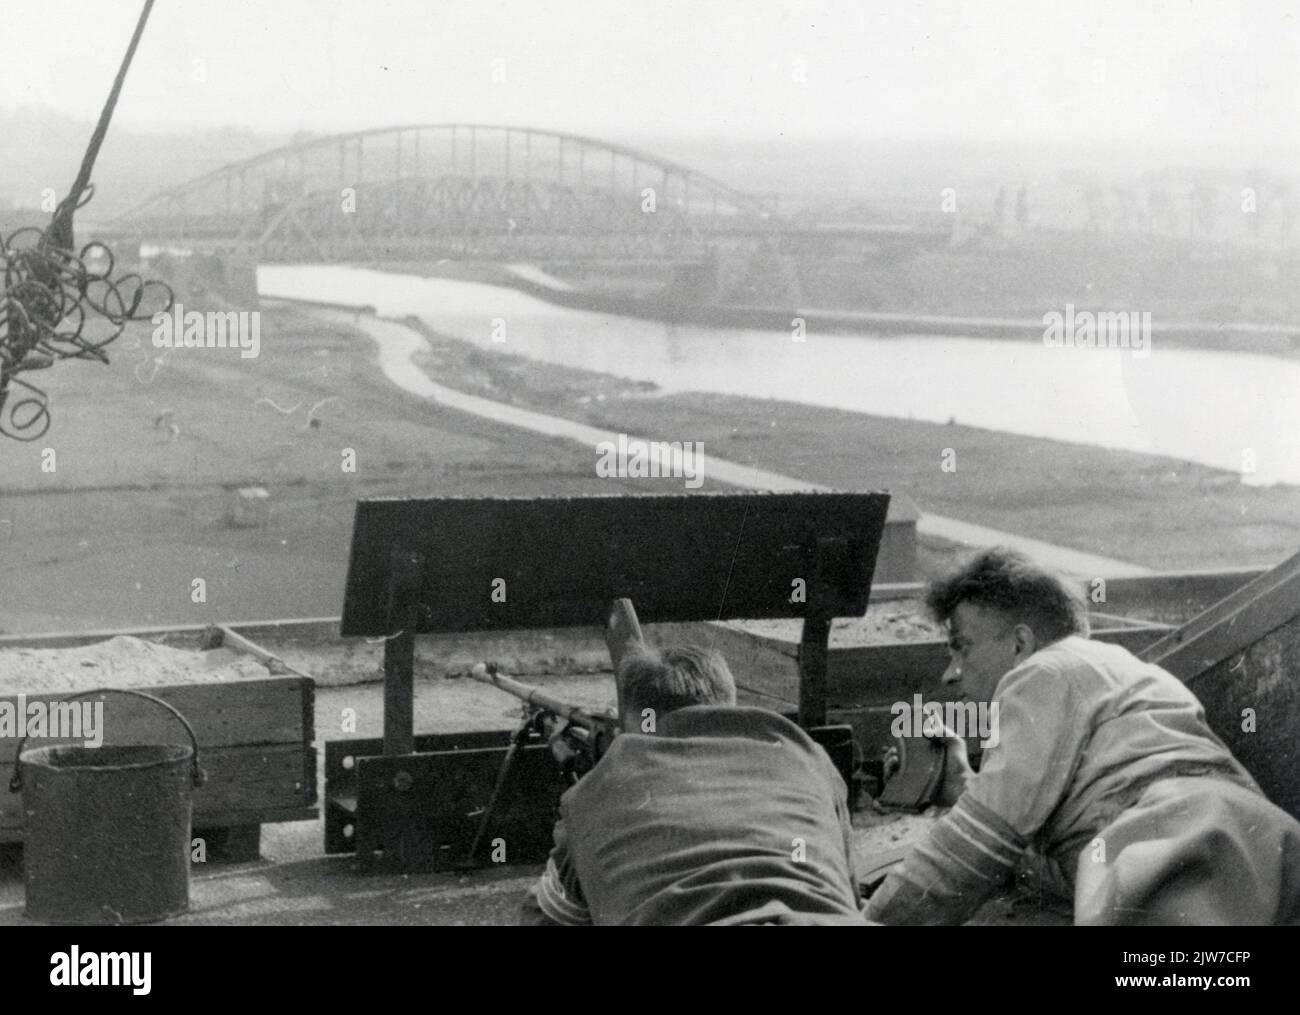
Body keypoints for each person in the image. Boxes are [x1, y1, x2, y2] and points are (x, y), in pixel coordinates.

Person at [865, 547, 1300, 926]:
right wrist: (961, 785)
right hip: (1257, 853)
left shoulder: (1042, 671)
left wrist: (864, 920)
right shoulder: (1116, 671)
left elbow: (970, 850)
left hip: (1182, 844)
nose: (950, 673)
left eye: (962, 646)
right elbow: (1073, 869)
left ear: (1020, 644)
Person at [521, 645, 866, 925]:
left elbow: (546, 917)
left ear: (633, 720)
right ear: (729, 701)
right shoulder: (808, 760)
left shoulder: (590, 797)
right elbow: (850, 894)